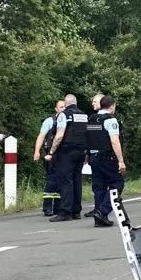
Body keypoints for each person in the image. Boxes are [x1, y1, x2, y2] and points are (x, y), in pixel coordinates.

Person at [44, 93, 89, 222]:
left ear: (66, 103)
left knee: (65, 180)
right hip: (81, 152)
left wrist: (52, 151)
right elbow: (87, 134)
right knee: (77, 180)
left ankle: (65, 211)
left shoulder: (64, 115)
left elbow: (59, 135)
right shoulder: (84, 116)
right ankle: (76, 211)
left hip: (66, 152)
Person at [86, 95, 127, 227]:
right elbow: (114, 141)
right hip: (107, 157)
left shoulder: (92, 119)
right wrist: (120, 161)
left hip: (93, 157)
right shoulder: (110, 120)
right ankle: (103, 212)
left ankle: (99, 217)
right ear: (111, 106)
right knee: (117, 183)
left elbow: (88, 138)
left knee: (99, 187)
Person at [32, 98, 65, 216]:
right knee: (51, 181)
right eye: (61, 107)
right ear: (56, 109)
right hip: (50, 155)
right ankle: (47, 207)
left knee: (60, 181)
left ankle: (57, 207)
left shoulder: (67, 121)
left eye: (65, 107)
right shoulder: (49, 121)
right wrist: (37, 152)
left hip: (62, 155)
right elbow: (41, 136)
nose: (63, 109)